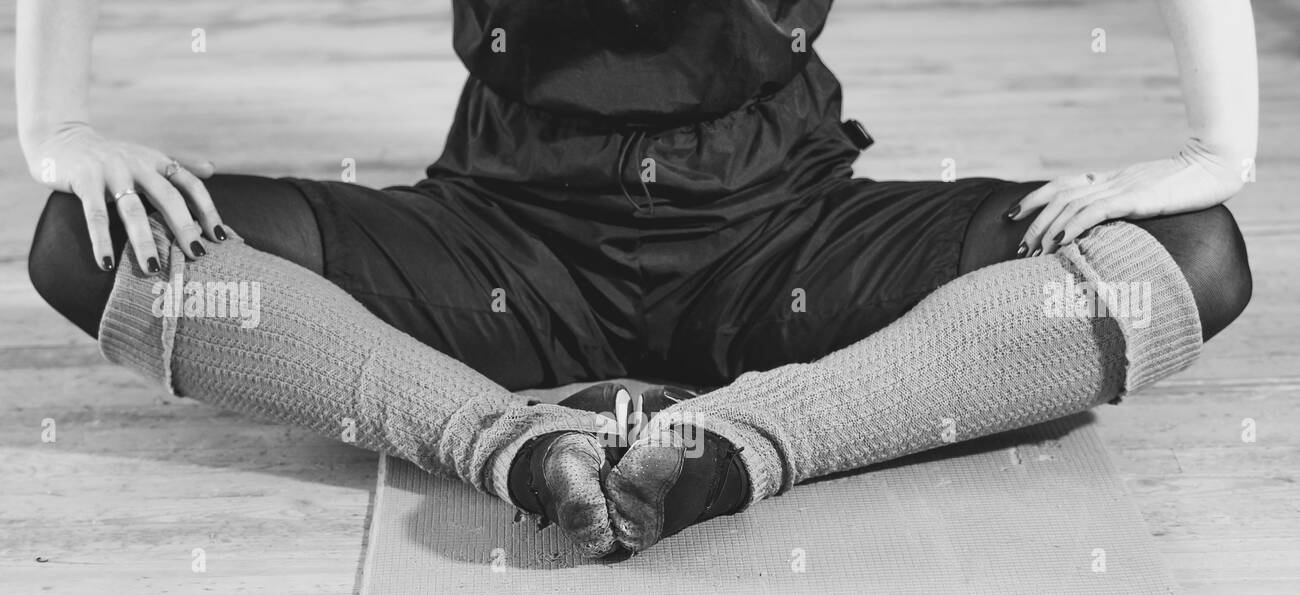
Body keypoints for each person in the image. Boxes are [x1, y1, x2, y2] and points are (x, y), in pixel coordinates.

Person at [21, 0, 1255, 558]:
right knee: (92, 240)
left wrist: (1220, 149)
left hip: (785, 235)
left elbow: (1191, 230)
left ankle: (755, 436)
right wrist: (53, 126)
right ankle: (494, 441)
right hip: (502, 243)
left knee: (1182, 258)